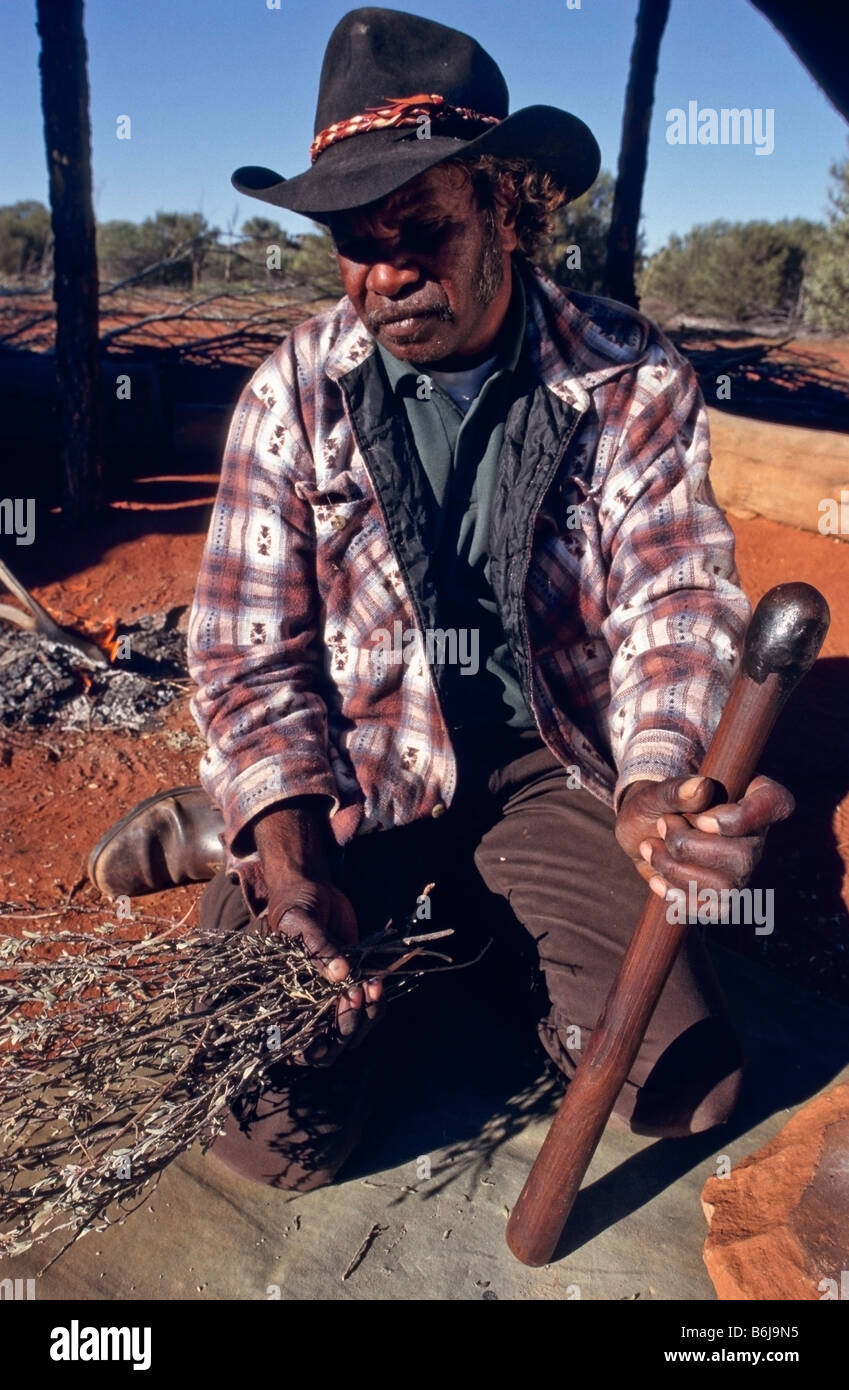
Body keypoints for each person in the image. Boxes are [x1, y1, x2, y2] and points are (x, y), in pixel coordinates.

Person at [88, 8, 793, 1190]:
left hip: (550, 766)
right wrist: (303, 870)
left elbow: (674, 605)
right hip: (364, 769)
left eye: (421, 229)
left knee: (687, 1089)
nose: (385, 275)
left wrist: (655, 790)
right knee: (274, 1139)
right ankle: (256, 829)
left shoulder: (631, 379)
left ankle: (464, 915)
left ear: (509, 211)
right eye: (353, 244)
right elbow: (250, 658)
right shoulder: (292, 395)